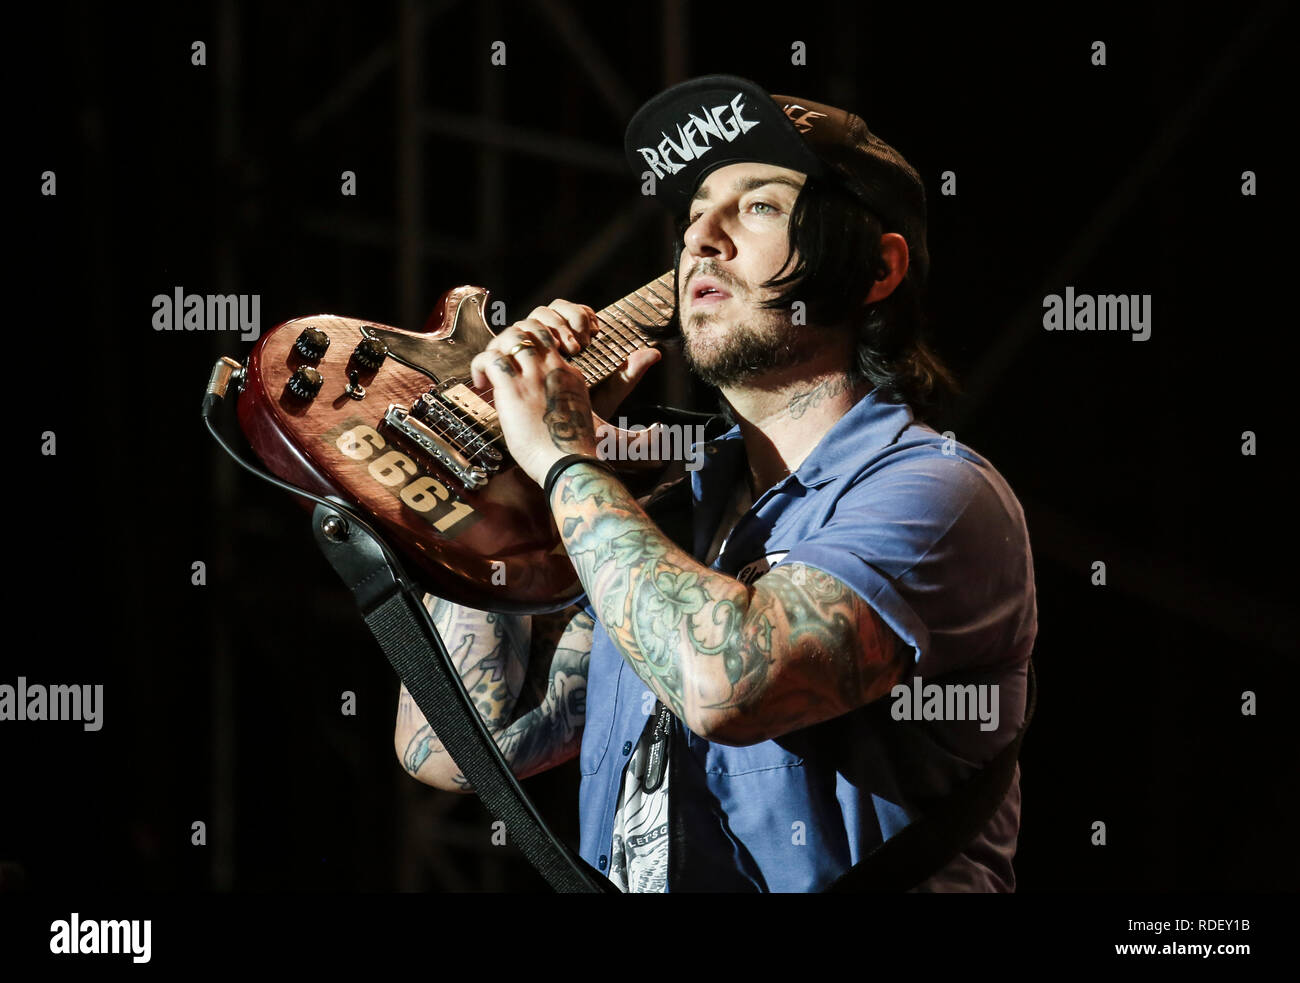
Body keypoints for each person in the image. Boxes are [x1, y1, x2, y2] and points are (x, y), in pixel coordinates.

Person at [394, 75, 1037, 893]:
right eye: (694, 214)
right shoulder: (669, 507)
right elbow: (454, 747)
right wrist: (509, 482)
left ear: (877, 269)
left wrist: (564, 461)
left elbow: (726, 684)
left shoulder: (937, 493)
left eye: (758, 206)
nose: (702, 237)